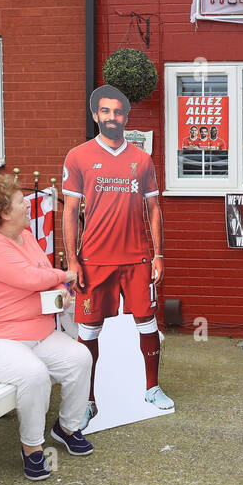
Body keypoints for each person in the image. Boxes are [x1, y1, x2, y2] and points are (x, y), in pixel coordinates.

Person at [0, 174, 93, 481]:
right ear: (4, 212)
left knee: (80, 359)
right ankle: (32, 448)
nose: (26, 204)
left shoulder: (26, 236)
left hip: (35, 333)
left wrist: (60, 292)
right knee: (33, 375)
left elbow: (42, 275)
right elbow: (31, 279)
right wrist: (68, 275)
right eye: (20, 201)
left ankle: (67, 427)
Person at [63, 85, 173, 419]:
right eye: (106, 111)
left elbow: (154, 207)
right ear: (96, 115)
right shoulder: (78, 156)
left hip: (137, 258)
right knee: (89, 329)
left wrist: (159, 254)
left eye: (119, 111)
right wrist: (72, 261)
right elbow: (69, 212)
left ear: (126, 116)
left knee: (146, 322)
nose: (113, 117)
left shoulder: (141, 160)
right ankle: (89, 399)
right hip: (94, 259)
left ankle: (151, 388)